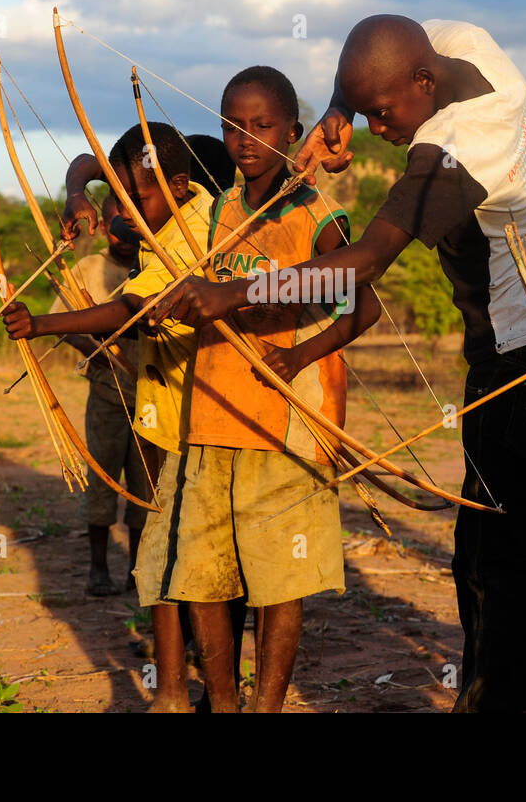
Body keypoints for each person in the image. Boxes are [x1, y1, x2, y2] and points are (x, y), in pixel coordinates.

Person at [154, 16, 526, 712]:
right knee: (474, 557)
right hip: (512, 347)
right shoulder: (466, 45)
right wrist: (337, 111)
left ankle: (496, 701)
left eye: (385, 113)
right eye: (370, 111)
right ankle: (480, 695)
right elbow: (369, 62)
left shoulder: (462, 147)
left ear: (424, 83)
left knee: (502, 568)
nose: (380, 127)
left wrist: (233, 292)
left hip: (525, 356)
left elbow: (360, 266)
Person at [158, 65, 380, 712]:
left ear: (291, 129)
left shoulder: (317, 215)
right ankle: (224, 702)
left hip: (289, 426)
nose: (246, 138)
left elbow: (360, 309)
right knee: (202, 576)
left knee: (279, 583)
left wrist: (298, 353)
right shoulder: (221, 209)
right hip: (212, 414)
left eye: (262, 126)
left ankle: (267, 707)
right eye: (234, 125)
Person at [5, 123, 209, 712]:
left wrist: (43, 325)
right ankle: (130, 599)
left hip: (185, 403)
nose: (122, 217)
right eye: (116, 208)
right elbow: (94, 165)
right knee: (125, 494)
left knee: (175, 525)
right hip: (121, 392)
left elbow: (131, 308)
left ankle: (202, 664)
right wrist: (77, 194)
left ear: (177, 184)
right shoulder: (114, 253)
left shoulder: (194, 227)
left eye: (133, 204)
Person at [49, 175, 147, 596]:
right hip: (107, 391)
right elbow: (63, 322)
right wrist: (100, 348)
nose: (124, 231)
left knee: (146, 485)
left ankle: (138, 570)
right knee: (104, 475)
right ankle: (98, 569)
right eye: (115, 223)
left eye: (132, 221)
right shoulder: (88, 268)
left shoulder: (154, 266)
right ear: (103, 227)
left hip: (149, 392)